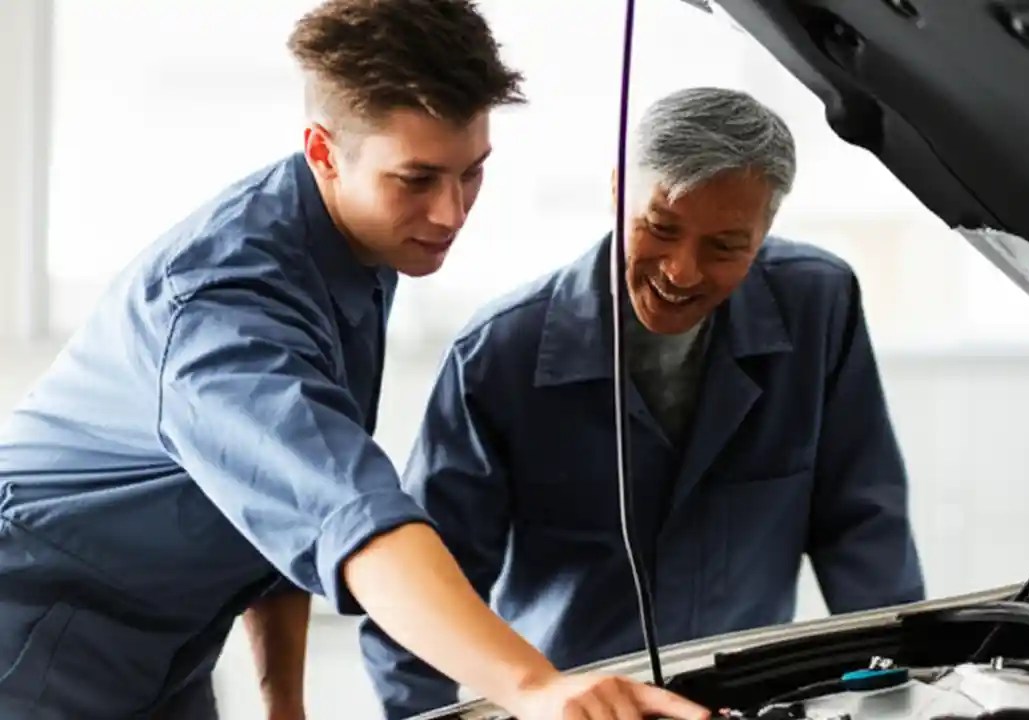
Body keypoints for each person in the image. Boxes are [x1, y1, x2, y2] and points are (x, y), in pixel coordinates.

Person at [0, 2, 709, 720]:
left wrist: (286, 707)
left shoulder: (357, 247)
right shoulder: (225, 309)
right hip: (28, 636)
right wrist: (533, 686)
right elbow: (349, 514)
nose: (452, 214)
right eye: (417, 179)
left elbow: (277, 513)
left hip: (165, 647)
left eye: (472, 173)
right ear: (323, 151)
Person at [353, 86, 927, 719]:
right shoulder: (498, 354)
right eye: (660, 228)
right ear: (616, 189)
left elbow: (864, 529)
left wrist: (897, 695)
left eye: (725, 247)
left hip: (745, 705)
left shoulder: (821, 304)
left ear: (765, 232)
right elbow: (425, 590)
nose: (682, 271)